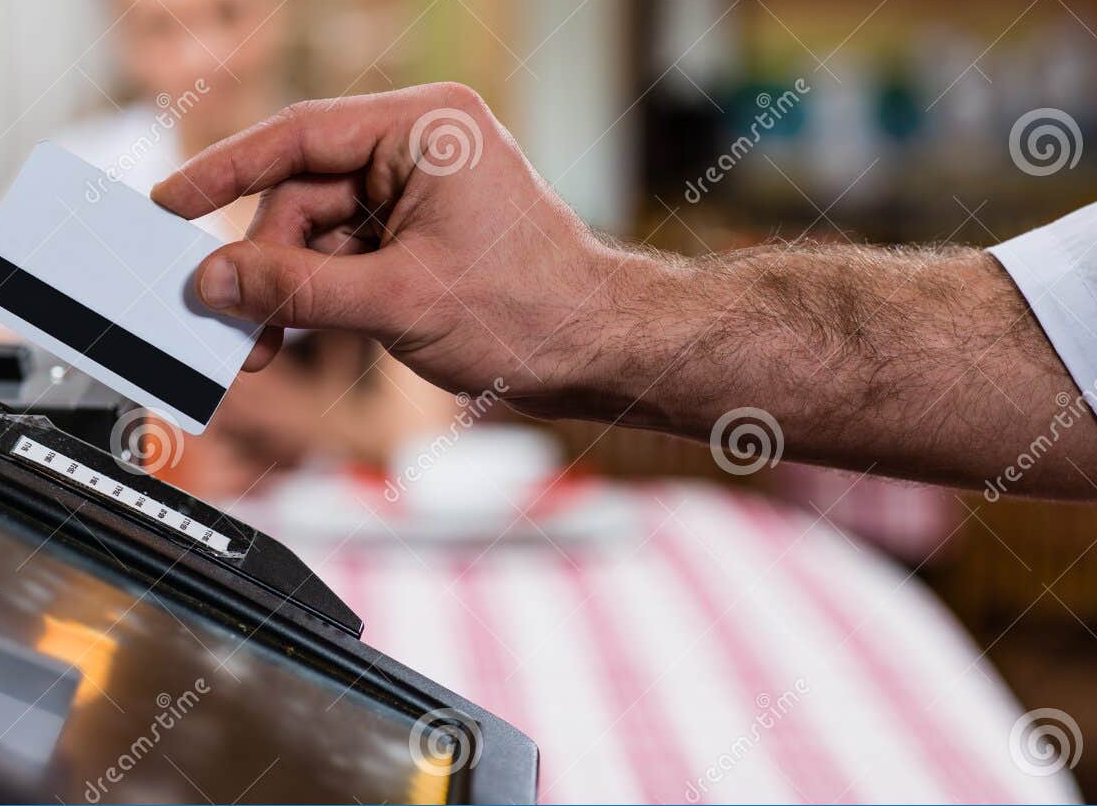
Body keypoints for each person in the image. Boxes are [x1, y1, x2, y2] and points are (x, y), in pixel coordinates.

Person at [150, 82, 1097, 498]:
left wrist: (580, 310)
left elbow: (1047, 334)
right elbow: (1047, 332)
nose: (205, 52)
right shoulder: (112, 173)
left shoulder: (341, 195)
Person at [36, 0, 459, 498]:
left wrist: (305, 419)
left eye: (229, 11)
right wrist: (149, 455)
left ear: (280, 6)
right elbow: (6, 392)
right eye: (162, 26)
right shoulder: (84, 182)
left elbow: (426, 434)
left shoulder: (367, 179)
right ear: (124, 42)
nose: (203, 57)